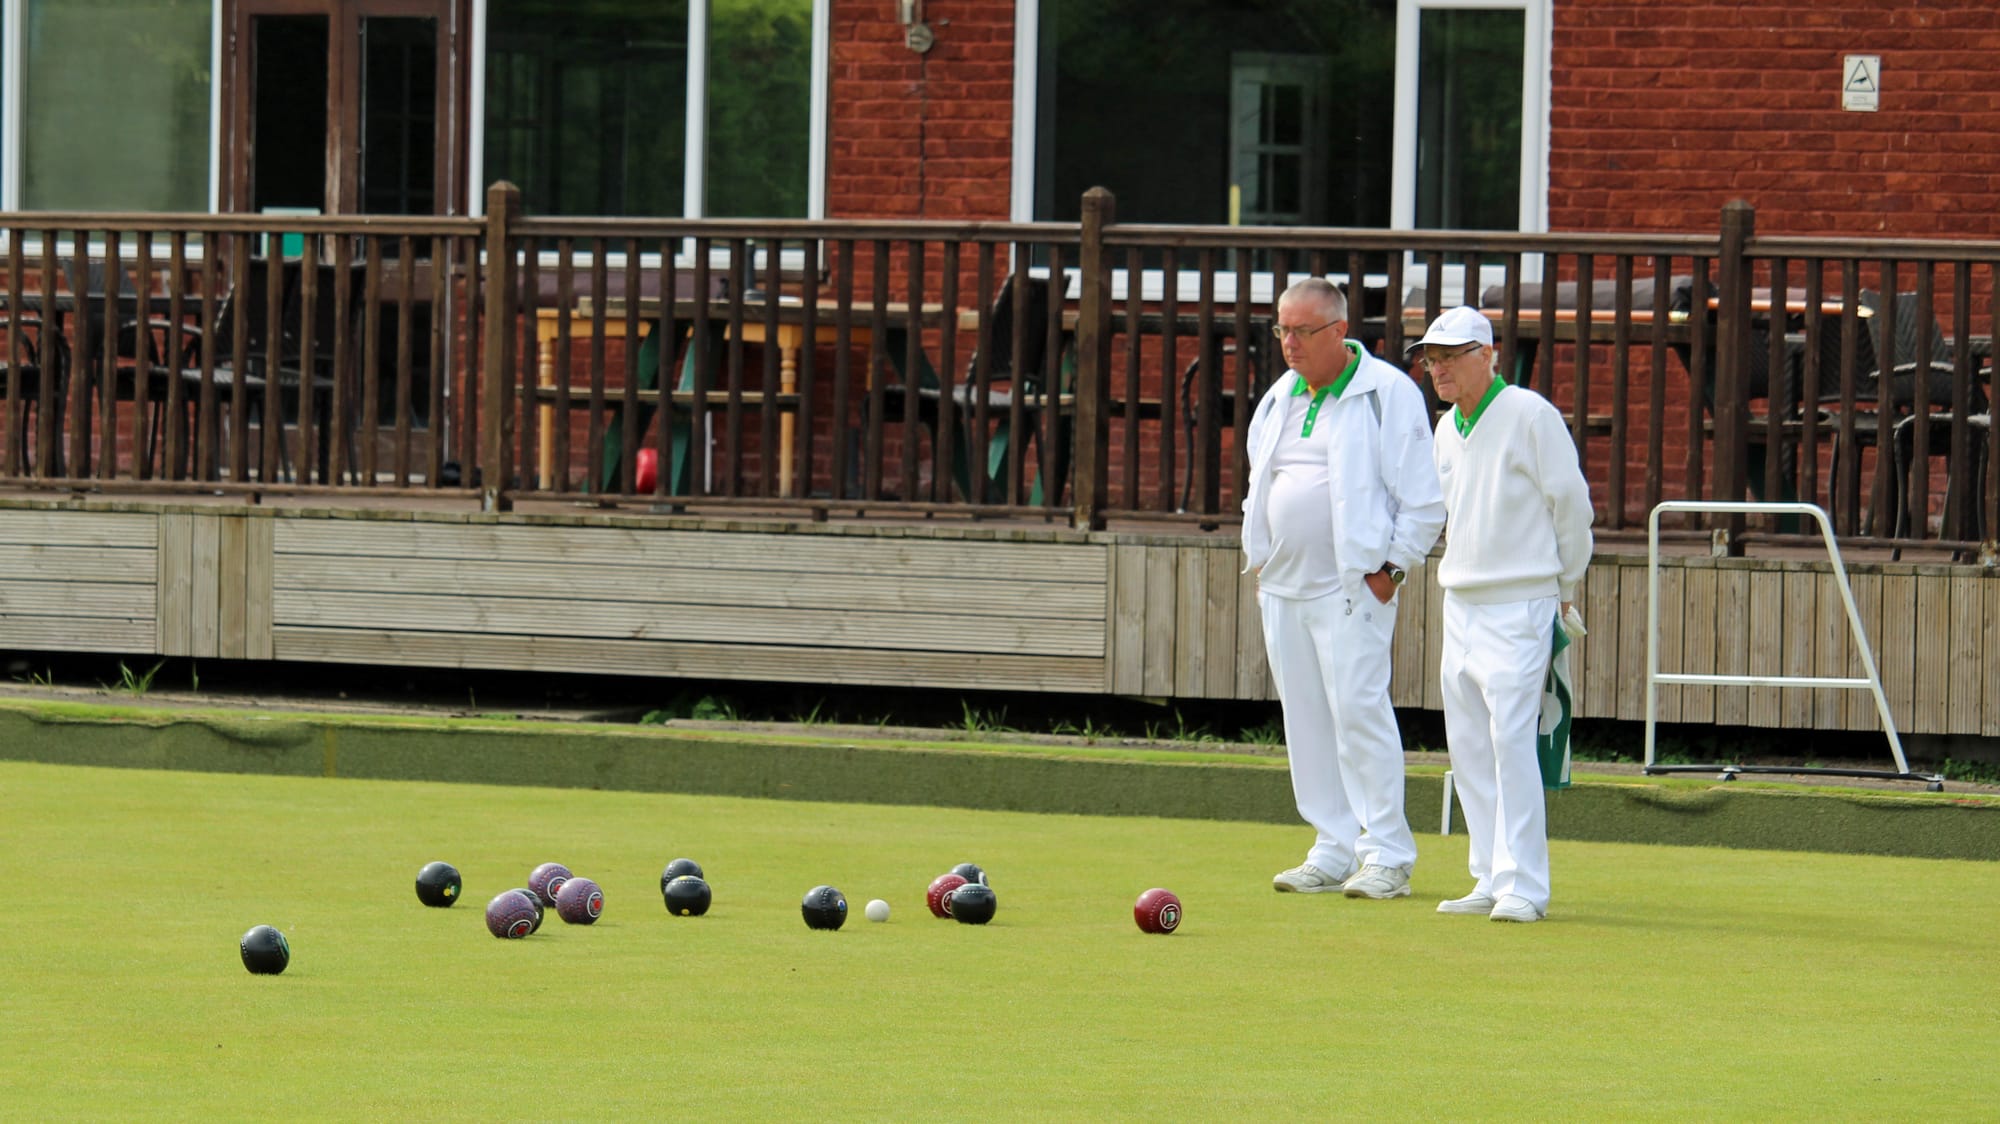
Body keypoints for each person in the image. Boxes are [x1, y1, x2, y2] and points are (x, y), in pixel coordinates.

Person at [1242, 278, 1445, 901]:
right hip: (1283, 586)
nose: (1289, 344)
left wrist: (1393, 571)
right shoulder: (1278, 396)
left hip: (1353, 588)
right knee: (1305, 720)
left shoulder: (1388, 393)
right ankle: (1332, 845)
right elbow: (1263, 479)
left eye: (1302, 331)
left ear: (1338, 331)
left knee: (1359, 712)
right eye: (1281, 330)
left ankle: (1387, 854)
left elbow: (1422, 500)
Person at [1414, 306, 1594, 923]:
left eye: (1451, 356)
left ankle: (1526, 885)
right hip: (1460, 601)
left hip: (1521, 601)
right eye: (1432, 358)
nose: (1438, 368)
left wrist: (1567, 580)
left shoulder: (1530, 414)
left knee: (1510, 738)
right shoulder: (1445, 429)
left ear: (1487, 355)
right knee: (1467, 744)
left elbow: (1570, 502)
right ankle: (1488, 876)